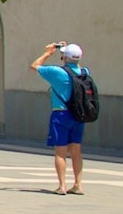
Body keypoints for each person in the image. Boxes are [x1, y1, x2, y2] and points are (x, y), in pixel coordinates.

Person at [30, 41, 89, 195]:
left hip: (61, 114)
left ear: (64, 57)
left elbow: (34, 66)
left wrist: (48, 53)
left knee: (60, 151)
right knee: (76, 150)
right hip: (78, 115)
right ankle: (78, 185)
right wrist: (66, 53)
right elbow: (74, 64)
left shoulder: (57, 72)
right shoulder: (84, 72)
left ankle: (62, 186)